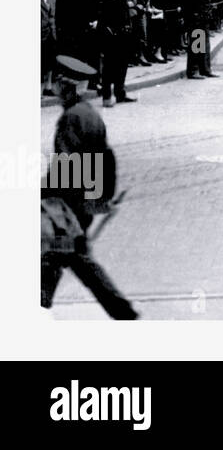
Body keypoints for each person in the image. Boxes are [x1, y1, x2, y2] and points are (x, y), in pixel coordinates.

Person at [41, 56, 138, 320]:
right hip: (81, 202)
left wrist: (43, 192)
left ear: (65, 85)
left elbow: (67, 166)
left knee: (59, 258)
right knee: (63, 260)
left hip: (68, 207)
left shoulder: (72, 118)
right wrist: (101, 197)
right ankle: (124, 313)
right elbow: (106, 158)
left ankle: (125, 314)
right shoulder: (89, 113)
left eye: (57, 82)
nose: (53, 87)